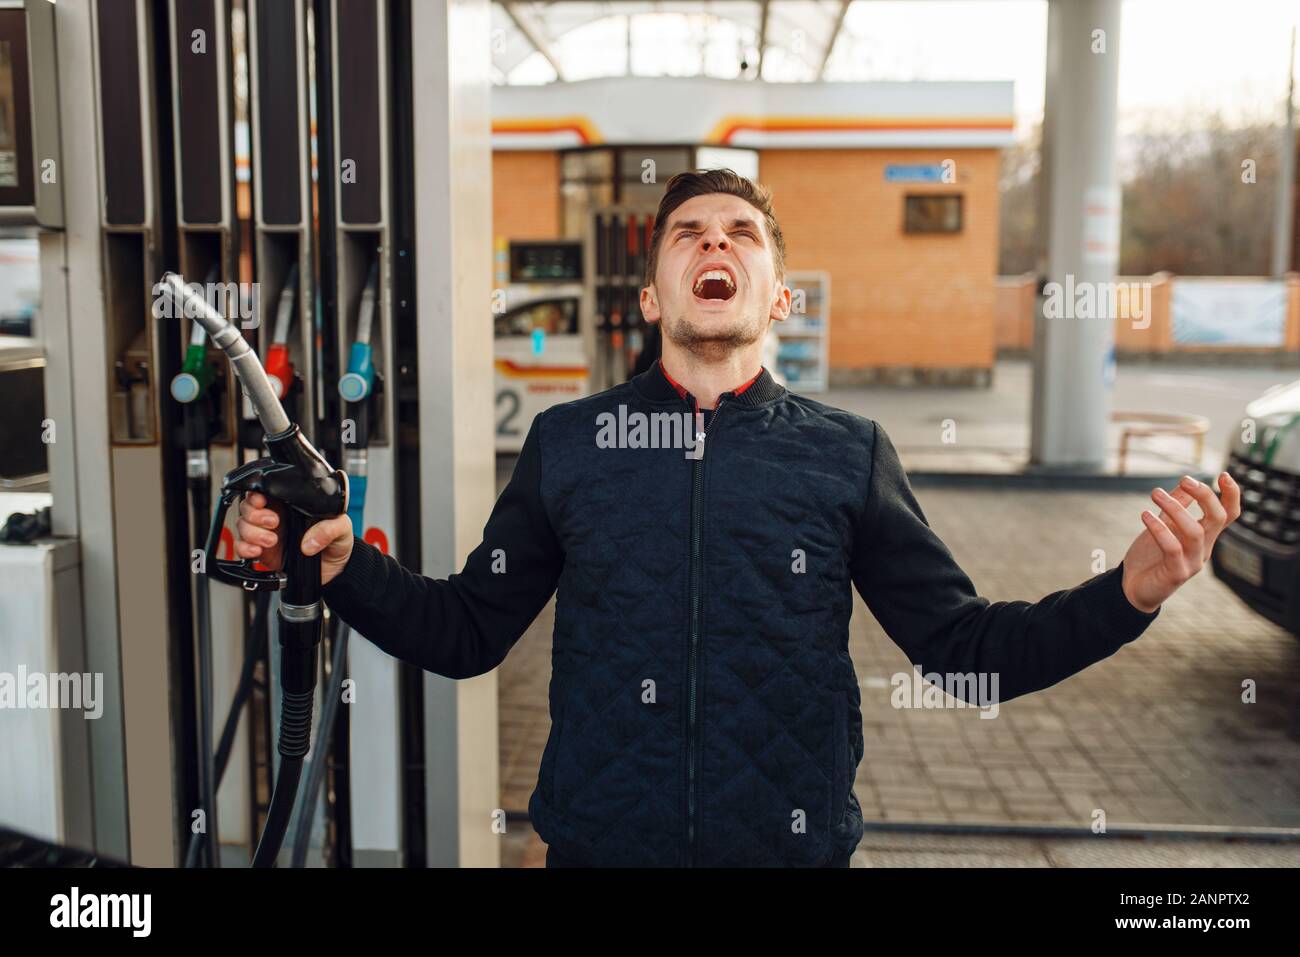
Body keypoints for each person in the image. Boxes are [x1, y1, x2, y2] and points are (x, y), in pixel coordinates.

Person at [235, 169, 1241, 868]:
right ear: (650, 292)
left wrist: (1129, 594)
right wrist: (333, 565)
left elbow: (962, 648)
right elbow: (463, 633)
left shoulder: (848, 453)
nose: (715, 242)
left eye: (740, 233)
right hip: (598, 853)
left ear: (779, 294)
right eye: (688, 234)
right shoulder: (570, 443)